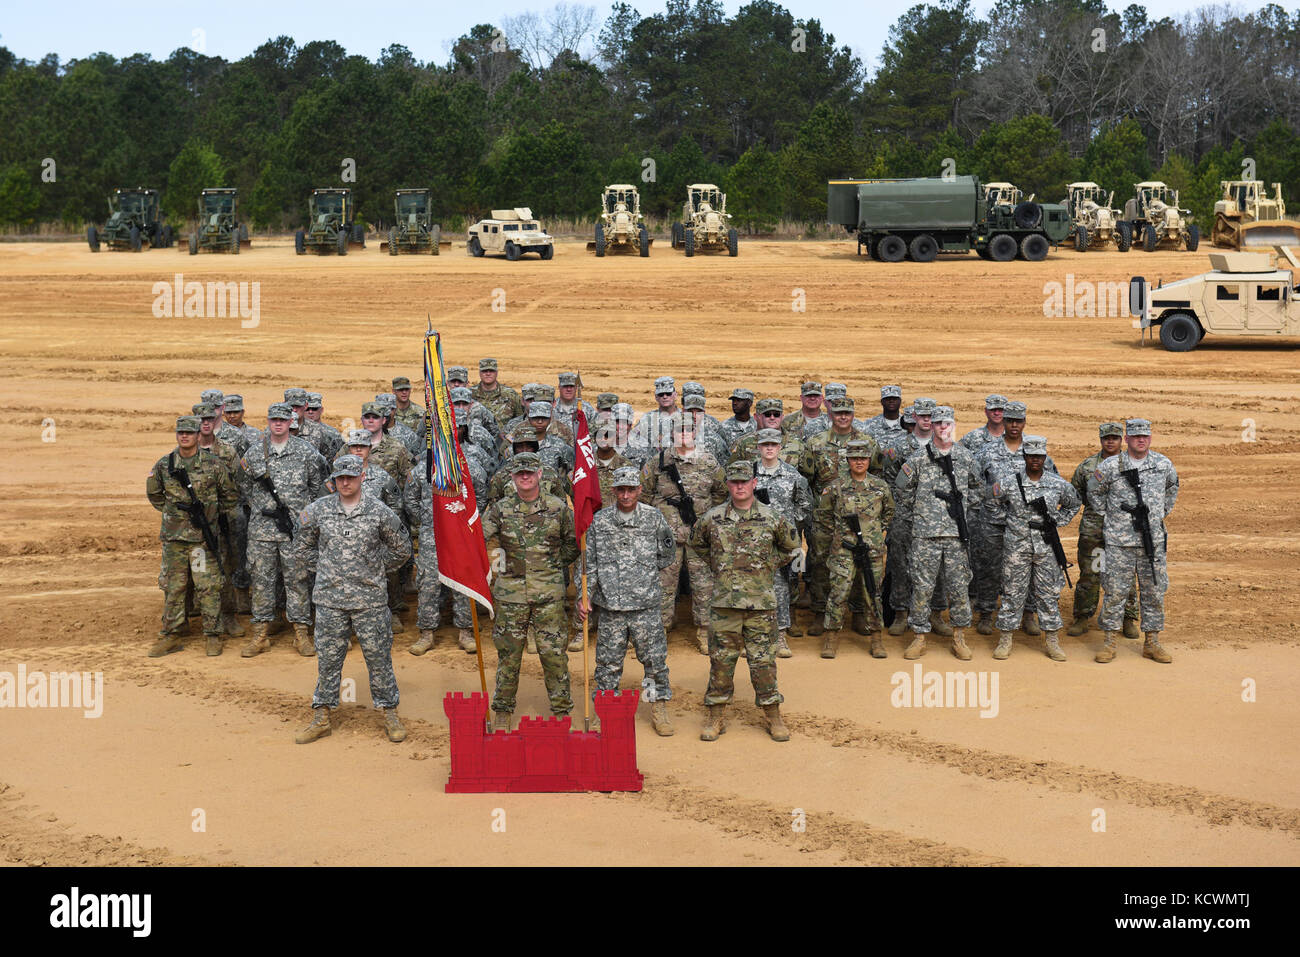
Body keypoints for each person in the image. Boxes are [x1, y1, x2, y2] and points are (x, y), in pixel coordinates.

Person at [292, 454, 412, 744]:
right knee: (328, 660)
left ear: (362, 477)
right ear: (334, 481)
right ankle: (321, 717)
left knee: (379, 659)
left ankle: (389, 713)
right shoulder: (318, 510)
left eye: (351, 477)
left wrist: (375, 567)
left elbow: (402, 549)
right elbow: (301, 547)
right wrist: (326, 567)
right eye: (340, 478)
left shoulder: (379, 512)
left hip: (369, 600)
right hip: (330, 599)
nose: (345, 482)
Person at [690, 460, 801, 743]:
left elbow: (791, 547)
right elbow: (697, 543)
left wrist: (767, 564)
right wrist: (719, 566)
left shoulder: (772, 517)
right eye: (734, 482)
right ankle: (716, 715)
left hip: (760, 604)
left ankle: (772, 714)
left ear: (754, 483)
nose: (739, 486)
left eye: (744, 481)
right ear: (728, 485)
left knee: (763, 662)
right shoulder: (713, 518)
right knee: (721, 662)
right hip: (724, 604)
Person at [481, 453, 581, 728]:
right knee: (508, 656)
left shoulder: (558, 508)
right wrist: (502, 567)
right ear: (512, 477)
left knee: (554, 655)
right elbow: (481, 539)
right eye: (519, 473)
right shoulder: (499, 509)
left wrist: (551, 567)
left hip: (548, 596)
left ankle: (561, 711)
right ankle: (503, 710)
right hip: (511, 596)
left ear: (539, 475)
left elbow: (573, 543)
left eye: (529, 472)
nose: (524, 477)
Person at [579, 466, 677, 736]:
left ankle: (657, 706)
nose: (625, 495)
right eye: (621, 490)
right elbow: (589, 563)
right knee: (607, 664)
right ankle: (604, 710)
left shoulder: (653, 518)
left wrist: (641, 576)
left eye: (631, 490)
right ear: (613, 491)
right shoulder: (600, 521)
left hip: (645, 606)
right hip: (611, 608)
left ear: (639, 490)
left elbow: (667, 555)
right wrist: (584, 595)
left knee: (654, 662)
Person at [145, 415, 241, 657]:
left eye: (189, 433)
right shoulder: (164, 465)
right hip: (175, 540)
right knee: (174, 586)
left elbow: (230, 496)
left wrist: (209, 516)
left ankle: (213, 634)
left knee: (207, 586)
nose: (184, 436)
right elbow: (154, 494)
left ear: (198, 436)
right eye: (181, 433)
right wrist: (174, 515)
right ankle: (172, 634)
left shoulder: (213, 464)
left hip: (201, 542)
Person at [239, 402, 329, 657]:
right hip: (262, 531)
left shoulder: (306, 452)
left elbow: (318, 487)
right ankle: (261, 634)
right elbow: (244, 486)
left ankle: (301, 633)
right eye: (273, 419)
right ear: (268, 421)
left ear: (291, 421)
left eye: (282, 419)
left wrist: (303, 514)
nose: (278, 423)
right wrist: (261, 507)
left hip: (294, 531)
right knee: (261, 581)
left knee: (298, 580)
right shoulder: (254, 454)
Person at [894, 406, 981, 660]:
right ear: (931, 426)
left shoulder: (966, 457)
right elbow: (901, 489)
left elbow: (978, 489)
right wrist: (918, 515)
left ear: (953, 426)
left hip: (956, 536)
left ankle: (959, 637)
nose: (943, 427)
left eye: (947, 423)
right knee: (922, 587)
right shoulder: (919, 458)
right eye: (938, 423)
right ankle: (919, 636)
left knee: (959, 587)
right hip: (925, 535)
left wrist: (965, 512)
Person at [1091, 418, 1179, 664]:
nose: (1141, 440)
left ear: (1150, 438)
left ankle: (1152, 642)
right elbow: (1094, 492)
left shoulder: (1162, 464)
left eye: (1145, 436)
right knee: (1115, 591)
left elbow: (1172, 488)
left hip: (1152, 539)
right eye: (1136, 436)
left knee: (1154, 591)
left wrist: (1158, 514)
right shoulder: (1111, 465)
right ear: (1127, 439)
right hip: (1119, 541)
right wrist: (1111, 517)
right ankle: (1109, 642)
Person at [640, 413, 728, 653]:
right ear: (672, 433)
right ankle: (660, 629)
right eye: (679, 430)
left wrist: (706, 517)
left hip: (699, 535)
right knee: (663, 584)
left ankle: (704, 630)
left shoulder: (708, 462)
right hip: (666, 536)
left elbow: (721, 493)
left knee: (704, 584)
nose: (683, 434)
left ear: (695, 432)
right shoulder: (658, 462)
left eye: (688, 430)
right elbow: (644, 495)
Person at [988, 436, 1081, 660]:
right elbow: (991, 501)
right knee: (1012, 592)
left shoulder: (1057, 483)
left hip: (1046, 546)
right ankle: (1005, 639)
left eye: (1039, 456)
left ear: (1045, 457)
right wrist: (1008, 521)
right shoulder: (1009, 482)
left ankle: (1052, 640)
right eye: (1031, 456)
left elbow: (1074, 503)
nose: (1035, 460)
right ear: (1025, 457)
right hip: (1017, 546)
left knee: (1048, 594)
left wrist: (1057, 520)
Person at [799, 396, 881, 635]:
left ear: (853, 414)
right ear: (830, 414)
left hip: (859, 517)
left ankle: (857, 613)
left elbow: (876, 475)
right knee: (820, 562)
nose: (843, 416)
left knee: (859, 562)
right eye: (838, 412)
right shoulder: (816, 443)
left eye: (847, 412)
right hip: (826, 517)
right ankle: (820, 612)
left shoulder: (867, 442)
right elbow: (807, 478)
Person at [821, 439, 894, 658]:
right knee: (838, 592)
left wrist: (874, 533)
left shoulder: (880, 486)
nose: (859, 462)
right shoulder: (836, 487)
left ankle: (876, 638)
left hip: (871, 549)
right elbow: (824, 516)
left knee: (872, 593)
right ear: (848, 460)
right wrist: (840, 535)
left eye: (863, 458)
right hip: (843, 550)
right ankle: (831, 637)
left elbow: (889, 512)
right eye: (854, 458)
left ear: (869, 460)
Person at [1067, 423, 1140, 638]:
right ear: (1100, 439)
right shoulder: (1088, 466)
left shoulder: (1132, 465)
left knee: (1125, 575)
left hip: (1123, 532)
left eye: (1114, 438)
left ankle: (1128, 618)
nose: (1110, 441)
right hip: (1094, 532)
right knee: (1090, 574)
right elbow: (1075, 494)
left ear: (1121, 440)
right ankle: (1083, 617)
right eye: (1106, 438)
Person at [753, 428, 812, 654]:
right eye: (765, 444)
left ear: (779, 447)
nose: (769, 448)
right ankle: (755, 636)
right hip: (754, 541)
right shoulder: (749, 473)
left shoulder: (793, 475)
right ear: (759, 447)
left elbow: (804, 505)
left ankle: (779, 636)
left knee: (782, 587)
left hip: (782, 543)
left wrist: (788, 525)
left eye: (773, 445)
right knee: (753, 587)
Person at [471, 357, 524, 431]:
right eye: (484, 371)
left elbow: (521, 420)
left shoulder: (510, 395)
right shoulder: (470, 394)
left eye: (491, 371)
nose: (488, 374)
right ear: (480, 373)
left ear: (496, 373)